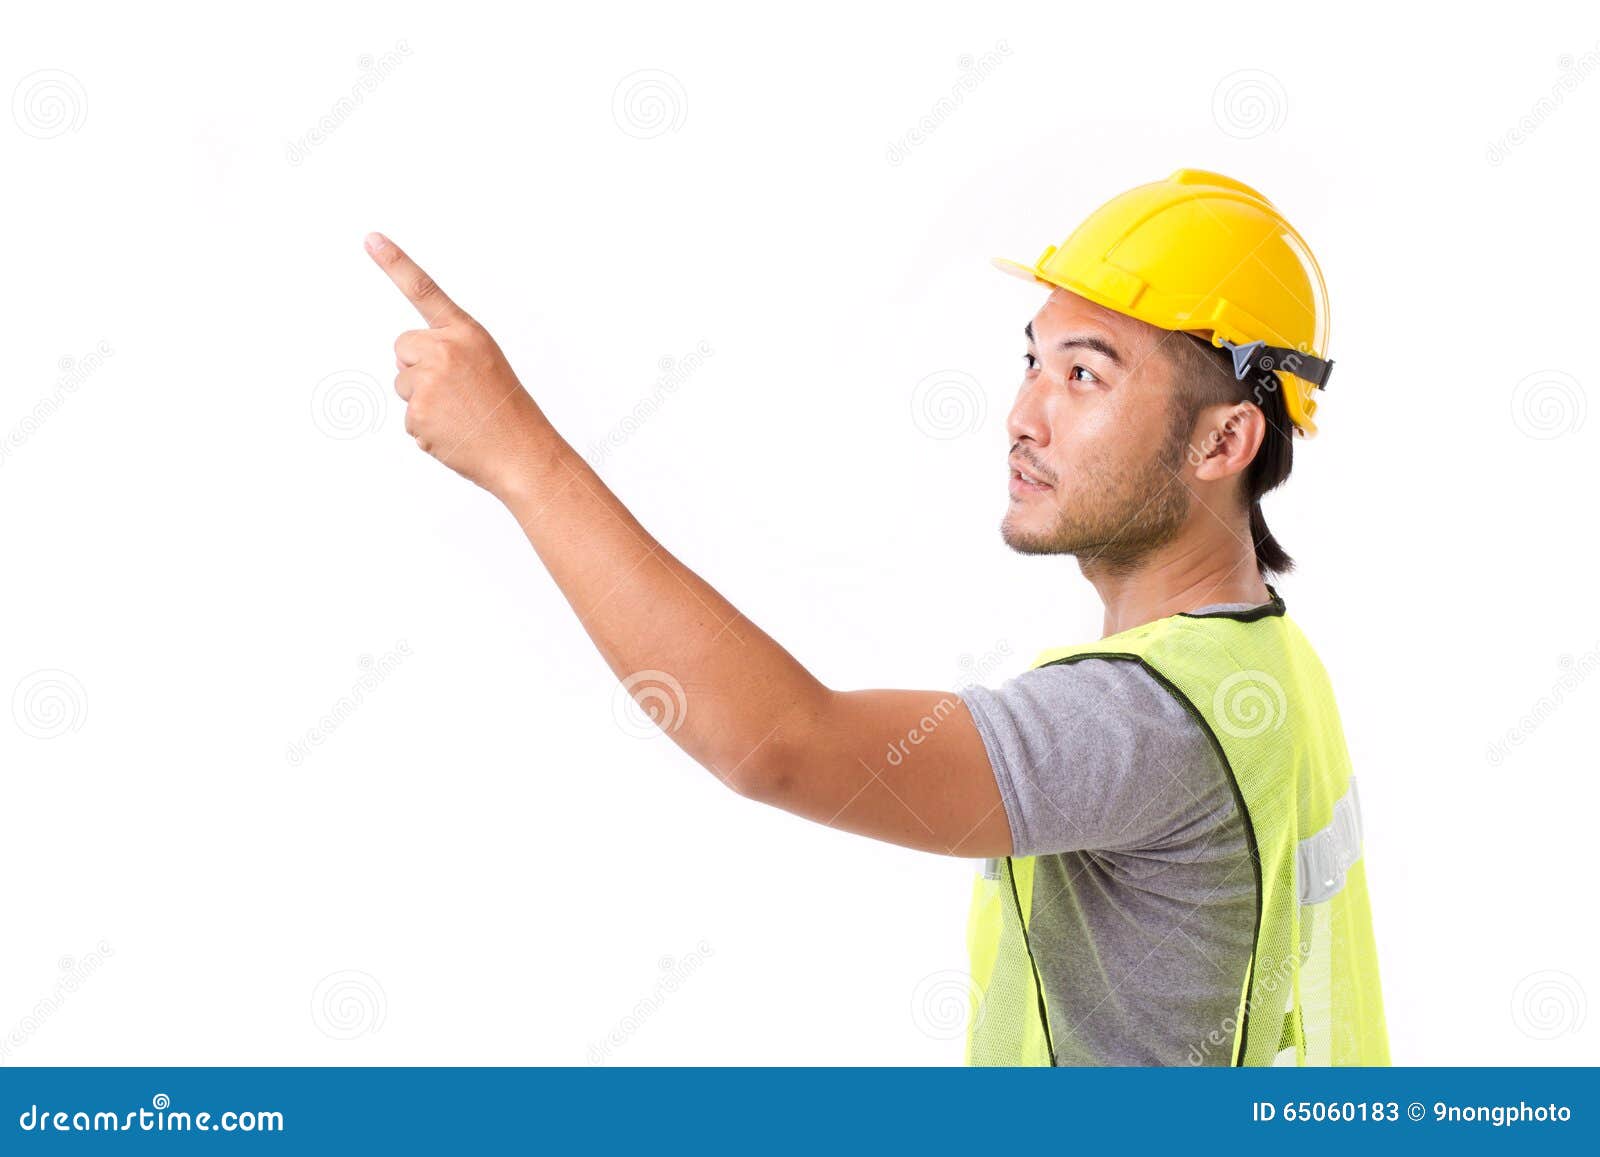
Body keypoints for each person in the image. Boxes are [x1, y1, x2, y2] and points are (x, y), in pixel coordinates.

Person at [362, 168, 1387, 1066]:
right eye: (1032, 361)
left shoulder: (1144, 719)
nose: (1023, 415)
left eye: (1084, 373)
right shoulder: (1268, 660)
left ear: (1224, 442)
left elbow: (779, 744)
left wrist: (518, 453)